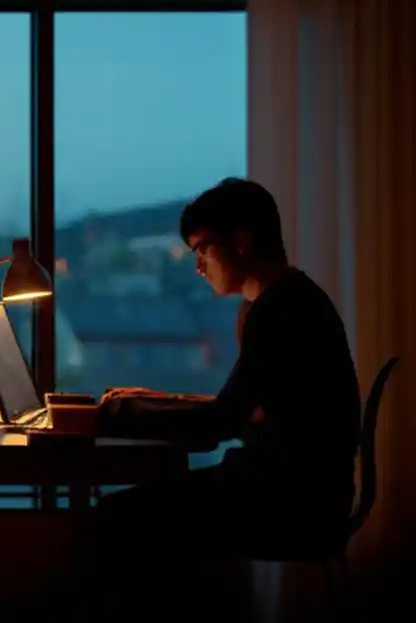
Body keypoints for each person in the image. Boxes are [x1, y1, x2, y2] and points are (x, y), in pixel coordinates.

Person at [71, 178, 361, 618]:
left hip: (290, 501)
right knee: (138, 513)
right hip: (301, 490)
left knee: (117, 518)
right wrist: (150, 399)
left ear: (241, 241)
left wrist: (110, 419)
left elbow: (220, 423)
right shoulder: (288, 301)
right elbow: (242, 408)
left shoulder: (279, 312)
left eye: (203, 250)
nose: (198, 267)